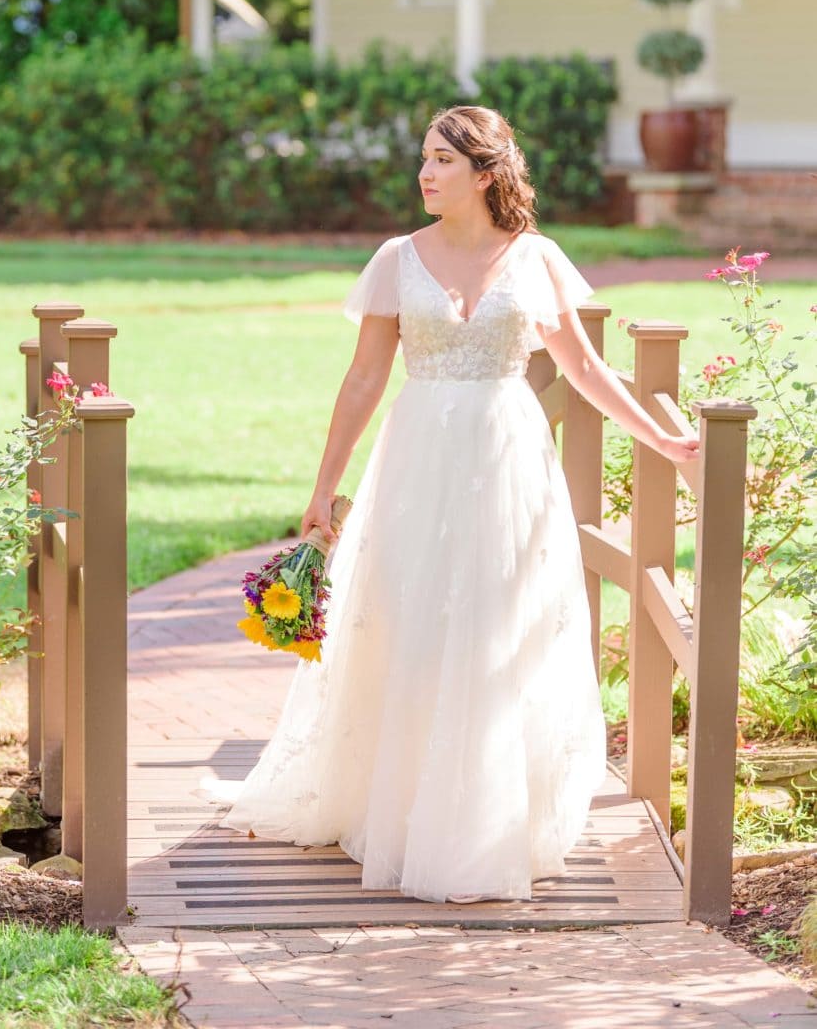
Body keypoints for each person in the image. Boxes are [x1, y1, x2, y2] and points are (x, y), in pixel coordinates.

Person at [198, 104, 700, 904]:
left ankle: (487, 823)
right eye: (424, 159)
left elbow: (586, 374)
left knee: (497, 625)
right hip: (420, 455)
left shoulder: (536, 259)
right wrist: (324, 486)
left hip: (509, 459)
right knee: (415, 618)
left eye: (441, 160)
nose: (425, 174)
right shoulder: (399, 258)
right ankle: (400, 808)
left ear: (486, 174)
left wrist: (663, 441)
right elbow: (364, 379)